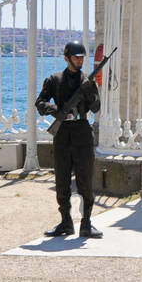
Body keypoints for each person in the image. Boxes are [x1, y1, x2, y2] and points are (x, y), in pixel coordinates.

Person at [35, 40, 102, 238]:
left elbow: (96, 108)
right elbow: (39, 103)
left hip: (82, 130)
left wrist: (90, 92)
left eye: (81, 57)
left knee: (85, 177)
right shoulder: (54, 80)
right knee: (62, 178)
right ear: (66, 58)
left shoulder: (86, 81)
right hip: (63, 131)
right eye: (76, 57)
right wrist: (58, 111)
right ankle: (65, 222)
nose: (80, 61)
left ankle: (86, 222)